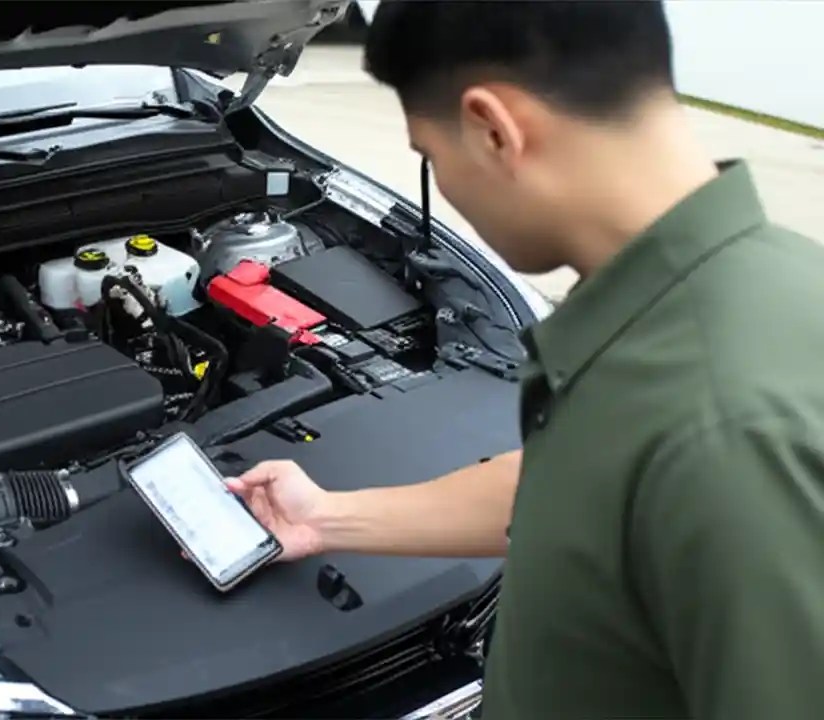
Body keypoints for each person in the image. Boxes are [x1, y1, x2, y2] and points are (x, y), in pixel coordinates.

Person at [226, 2, 824, 718]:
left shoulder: (725, 429)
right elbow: (573, 485)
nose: (441, 182)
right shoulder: (734, 296)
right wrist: (325, 518)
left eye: (432, 156)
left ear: (493, 130)